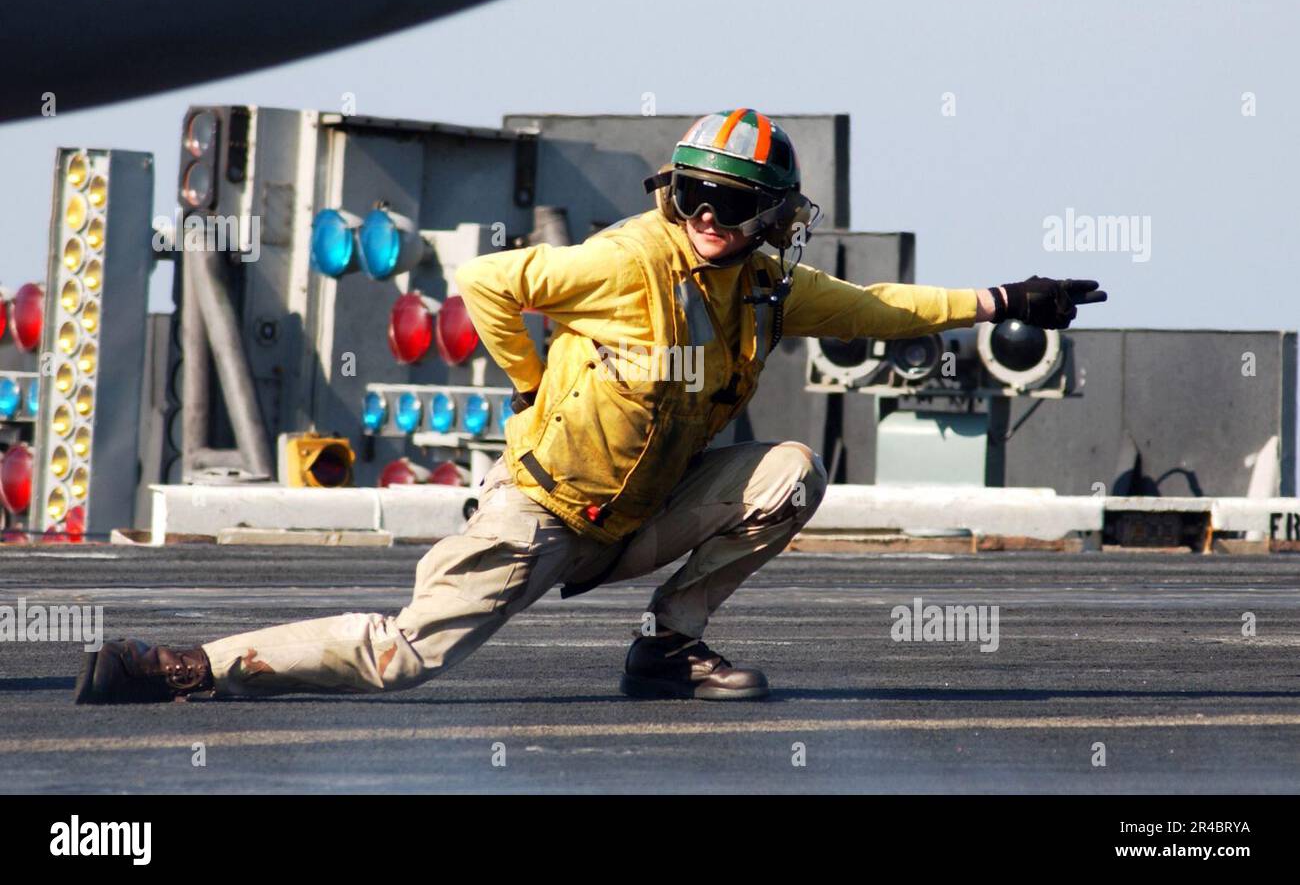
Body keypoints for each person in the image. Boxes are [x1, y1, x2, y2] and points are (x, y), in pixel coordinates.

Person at [75, 108, 1106, 704]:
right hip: (546, 517)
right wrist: (528, 381)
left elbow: (879, 307)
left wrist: (1002, 300)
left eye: (734, 204)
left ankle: (665, 649)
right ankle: (178, 666)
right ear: (674, 197)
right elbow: (491, 284)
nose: (709, 216)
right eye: (695, 196)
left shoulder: (766, 287)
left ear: (770, 217)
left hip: (646, 514)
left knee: (790, 471)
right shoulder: (624, 260)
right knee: (402, 661)